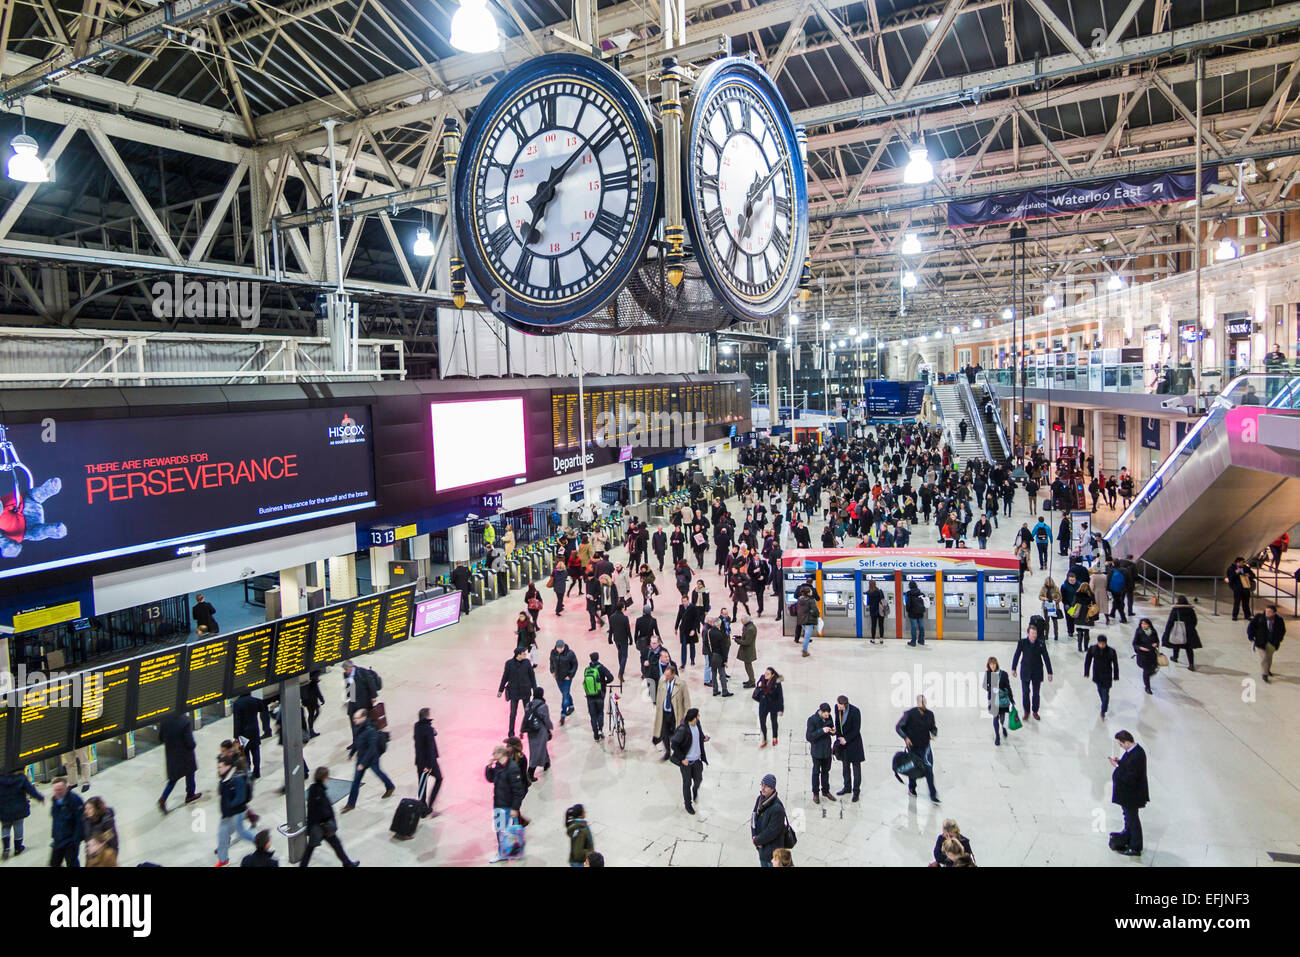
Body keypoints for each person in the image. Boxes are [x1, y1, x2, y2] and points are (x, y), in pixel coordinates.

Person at [301, 767, 358, 867]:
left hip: (317, 826)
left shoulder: (313, 788)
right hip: (323, 827)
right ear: (324, 778)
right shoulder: (320, 792)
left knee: (331, 846)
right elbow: (323, 811)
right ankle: (347, 863)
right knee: (332, 845)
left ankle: (347, 863)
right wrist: (329, 820)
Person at [342, 709, 395, 810]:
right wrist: (351, 754)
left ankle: (390, 786)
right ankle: (351, 804)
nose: (354, 720)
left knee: (378, 772)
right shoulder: (358, 727)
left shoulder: (371, 730)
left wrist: (363, 763)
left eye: (356, 718)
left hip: (371, 759)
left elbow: (372, 749)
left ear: (364, 718)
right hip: (361, 758)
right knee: (356, 781)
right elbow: (357, 742)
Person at [1109, 730, 1148, 857]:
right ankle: (1128, 838)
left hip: (1133, 795)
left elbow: (1130, 776)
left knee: (1132, 820)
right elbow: (1129, 766)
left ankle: (1135, 847)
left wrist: (1117, 767)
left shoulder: (1137, 755)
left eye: (1121, 744)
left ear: (1126, 742)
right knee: (1129, 818)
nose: (1121, 747)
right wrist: (1120, 762)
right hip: (1129, 795)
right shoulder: (1133, 752)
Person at [486, 745, 525, 864]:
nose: (493, 756)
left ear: (501, 754)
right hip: (498, 803)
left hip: (507, 805)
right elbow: (490, 778)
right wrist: (489, 766)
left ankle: (504, 853)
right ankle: (504, 852)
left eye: (494, 754)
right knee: (500, 830)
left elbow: (518, 790)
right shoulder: (498, 766)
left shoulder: (512, 768)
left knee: (505, 831)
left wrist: (515, 808)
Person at [896, 696, 939, 804]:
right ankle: (912, 788)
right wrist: (905, 738)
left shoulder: (930, 714)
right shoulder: (909, 714)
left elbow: (933, 727)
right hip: (913, 748)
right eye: (922, 703)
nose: (924, 705)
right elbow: (898, 727)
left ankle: (933, 795)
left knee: (929, 770)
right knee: (913, 771)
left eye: (925, 702)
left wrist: (933, 733)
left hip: (925, 748)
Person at [214, 757, 256, 867]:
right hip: (228, 813)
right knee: (223, 834)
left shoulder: (236, 779)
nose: (218, 769)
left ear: (228, 767)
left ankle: (260, 842)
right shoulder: (225, 778)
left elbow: (240, 798)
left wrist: (229, 806)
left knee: (240, 832)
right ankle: (223, 859)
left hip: (236, 813)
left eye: (220, 767)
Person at [158, 710, 201, 812]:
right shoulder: (184, 721)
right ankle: (190, 795)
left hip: (172, 755)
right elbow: (190, 742)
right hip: (185, 755)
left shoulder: (164, 720)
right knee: (190, 774)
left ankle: (163, 798)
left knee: (173, 780)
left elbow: (160, 738)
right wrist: (193, 745)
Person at [669, 707, 709, 815]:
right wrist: (682, 758)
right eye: (698, 716)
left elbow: (699, 735)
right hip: (687, 762)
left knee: (698, 779)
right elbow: (674, 744)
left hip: (697, 760)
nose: (699, 717)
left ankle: (695, 790)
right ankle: (688, 804)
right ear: (694, 718)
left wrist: (703, 738)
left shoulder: (698, 724)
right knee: (686, 783)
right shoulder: (683, 729)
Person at [1011, 623, 1053, 720]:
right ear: (1028, 633)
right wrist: (1014, 668)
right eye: (1032, 633)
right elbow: (1017, 655)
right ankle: (1026, 711)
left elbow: (1046, 658)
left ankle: (1035, 711)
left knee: (1036, 693)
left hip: (1037, 672)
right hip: (1025, 671)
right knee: (1025, 692)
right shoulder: (1022, 643)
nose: (1034, 635)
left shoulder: (1041, 643)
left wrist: (1049, 672)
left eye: (1035, 633)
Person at [0, 770, 42, 860]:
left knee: (5, 827)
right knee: (18, 825)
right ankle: (18, 848)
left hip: (3, 808)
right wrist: (40, 798)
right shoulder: (21, 777)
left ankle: (6, 849)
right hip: (18, 807)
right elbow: (31, 790)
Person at [497, 647, 536, 737]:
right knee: (513, 713)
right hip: (514, 692)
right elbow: (505, 677)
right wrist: (500, 690)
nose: (525, 655)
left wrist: (535, 689)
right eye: (524, 654)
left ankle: (529, 729)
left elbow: (532, 676)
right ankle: (511, 732)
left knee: (528, 712)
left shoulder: (527, 663)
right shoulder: (509, 664)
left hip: (525, 691)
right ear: (518, 654)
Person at [652, 664, 689, 759]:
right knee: (664, 733)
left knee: (675, 734)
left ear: (673, 674)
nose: (666, 677)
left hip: (675, 713)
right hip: (664, 713)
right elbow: (659, 695)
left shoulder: (682, 684)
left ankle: (677, 752)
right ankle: (667, 752)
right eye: (665, 675)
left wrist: (686, 715)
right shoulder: (662, 681)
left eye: (668, 676)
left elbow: (687, 701)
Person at [751, 774, 787, 867]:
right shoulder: (760, 799)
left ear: (772, 788)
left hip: (773, 854)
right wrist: (754, 835)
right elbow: (753, 817)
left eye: (766, 786)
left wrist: (757, 840)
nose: (762, 788)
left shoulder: (777, 808)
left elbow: (772, 832)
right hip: (762, 849)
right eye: (762, 785)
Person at [805, 702, 837, 804]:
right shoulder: (812, 720)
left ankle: (826, 791)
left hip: (827, 750)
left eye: (829, 714)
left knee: (826, 772)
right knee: (816, 772)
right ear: (821, 711)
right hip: (817, 751)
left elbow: (832, 728)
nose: (828, 716)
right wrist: (822, 731)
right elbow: (809, 737)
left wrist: (833, 731)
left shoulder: (829, 717)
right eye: (826, 714)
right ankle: (815, 793)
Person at [342, 659, 381, 737]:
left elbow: (371, 683)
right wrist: (348, 699)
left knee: (364, 720)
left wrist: (373, 696)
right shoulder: (346, 674)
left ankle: (369, 736)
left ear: (351, 667)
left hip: (364, 700)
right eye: (345, 670)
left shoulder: (362, 672)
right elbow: (348, 686)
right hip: (353, 700)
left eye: (346, 669)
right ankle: (355, 741)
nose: (346, 671)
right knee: (353, 720)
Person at [414, 707, 443, 814]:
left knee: (422, 784)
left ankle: (422, 808)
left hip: (419, 761)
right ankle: (430, 805)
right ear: (427, 716)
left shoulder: (417, 726)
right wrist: (429, 765)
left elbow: (420, 745)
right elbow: (429, 748)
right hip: (429, 762)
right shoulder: (428, 729)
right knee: (439, 779)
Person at [1247, 603, 1286, 682]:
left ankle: (1267, 670)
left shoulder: (1279, 620)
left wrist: (1279, 639)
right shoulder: (1259, 618)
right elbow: (1251, 627)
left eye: (1269, 612)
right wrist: (1251, 636)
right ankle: (1264, 674)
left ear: (1274, 613)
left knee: (1269, 657)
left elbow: (1283, 630)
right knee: (1264, 657)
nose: (1267, 613)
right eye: (1266, 611)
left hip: (1272, 642)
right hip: (1261, 641)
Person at [1159, 595, 1200, 670]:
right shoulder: (1190, 610)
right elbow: (1195, 621)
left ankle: (1175, 657)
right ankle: (1191, 664)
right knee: (1189, 648)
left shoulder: (1176, 610)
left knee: (1176, 644)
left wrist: (1166, 632)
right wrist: (1191, 628)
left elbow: (1170, 622)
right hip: (1189, 632)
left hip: (1178, 631)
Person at [1084, 633, 1120, 717]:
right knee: (1100, 690)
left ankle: (1103, 709)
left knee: (1105, 692)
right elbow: (1088, 661)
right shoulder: (1093, 649)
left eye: (1103, 643)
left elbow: (1115, 664)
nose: (1101, 645)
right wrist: (1086, 672)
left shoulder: (1111, 651)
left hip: (1107, 675)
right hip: (1097, 674)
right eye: (1100, 643)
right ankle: (1104, 703)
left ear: (1106, 643)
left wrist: (1116, 675)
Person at [582, 652, 615, 741]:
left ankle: (595, 735)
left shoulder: (587, 669)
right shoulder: (602, 668)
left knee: (593, 715)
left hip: (589, 695)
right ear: (598, 658)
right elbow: (611, 678)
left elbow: (585, 682)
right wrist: (604, 683)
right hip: (600, 694)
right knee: (600, 712)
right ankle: (600, 730)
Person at [522, 687, 553, 780]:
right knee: (537, 751)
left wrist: (522, 730)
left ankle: (546, 763)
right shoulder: (543, 706)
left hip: (530, 731)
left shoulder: (528, 704)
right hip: (540, 731)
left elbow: (526, 717)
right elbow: (546, 720)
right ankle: (530, 772)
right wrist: (550, 728)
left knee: (539, 748)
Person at [984, 656, 1013, 745]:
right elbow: (985, 686)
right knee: (995, 717)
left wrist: (1011, 699)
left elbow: (1008, 687)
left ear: (996, 664)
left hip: (1003, 699)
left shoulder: (1003, 674)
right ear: (988, 665)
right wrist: (992, 689)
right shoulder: (988, 674)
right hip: (993, 700)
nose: (992, 666)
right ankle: (997, 736)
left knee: (1003, 719)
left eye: (994, 664)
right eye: (991, 664)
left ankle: (1004, 728)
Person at [548, 639, 578, 725]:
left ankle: (563, 714)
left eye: (561, 648)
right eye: (558, 648)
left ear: (564, 647)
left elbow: (575, 665)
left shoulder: (570, 654)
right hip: (558, 677)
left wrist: (570, 675)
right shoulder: (553, 653)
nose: (560, 650)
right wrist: (552, 671)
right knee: (565, 693)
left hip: (567, 678)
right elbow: (551, 662)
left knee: (565, 696)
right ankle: (571, 706)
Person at [754, 667, 783, 748]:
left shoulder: (777, 682)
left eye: (768, 674)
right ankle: (765, 739)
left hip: (773, 704)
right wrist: (759, 684)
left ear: (773, 675)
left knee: (774, 721)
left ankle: (775, 737)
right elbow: (758, 683)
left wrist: (781, 708)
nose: (765, 675)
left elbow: (780, 696)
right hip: (763, 704)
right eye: (765, 673)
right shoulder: (762, 678)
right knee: (762, 722)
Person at [1132, 618, 1161, 694]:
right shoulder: (1139, 632)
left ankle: (1148, 675)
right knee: (1146, 671)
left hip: (1152, 654)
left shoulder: (1153, 631)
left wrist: (1156, 644)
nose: (1143, 625)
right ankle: (1147, 687)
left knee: (1152, 669)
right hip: (1143, 656)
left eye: (1145, 624)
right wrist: (1141, 648)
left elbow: (1157, 640)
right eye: (1142, 624)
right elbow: (1135, 644)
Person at [607, 602, 633, 683]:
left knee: (620, 652)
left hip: (616, 638)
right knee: (624, 656)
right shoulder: (625, 618)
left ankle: (621, 667)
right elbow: (628, 630)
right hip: (623, 639)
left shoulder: (611, 617)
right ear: (622, 608)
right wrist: (631, 639)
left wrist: (609, 638)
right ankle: (620, 673)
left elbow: (611, 629)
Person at [734, 614, 758, 686]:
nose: (741, 622)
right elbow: (746, 637)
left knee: (748, 666)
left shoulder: (750, 629)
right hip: (747, 651)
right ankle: (751, 680)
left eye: (742, 621)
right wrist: (740, 637)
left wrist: (737, 641)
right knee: (747, 666)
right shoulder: (749, 626)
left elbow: (747, 642)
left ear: (745, 621)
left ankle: (752, 681)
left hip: (748, 651)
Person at [905, 580, 927, 646]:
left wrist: (907, 610)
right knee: (921, 626)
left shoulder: (909, 594)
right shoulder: (921, 593)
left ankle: (913, 642)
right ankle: (921, 640)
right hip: (920, 612)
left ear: (910, 586)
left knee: (913, 627)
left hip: (912, 613)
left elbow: (908, 604)